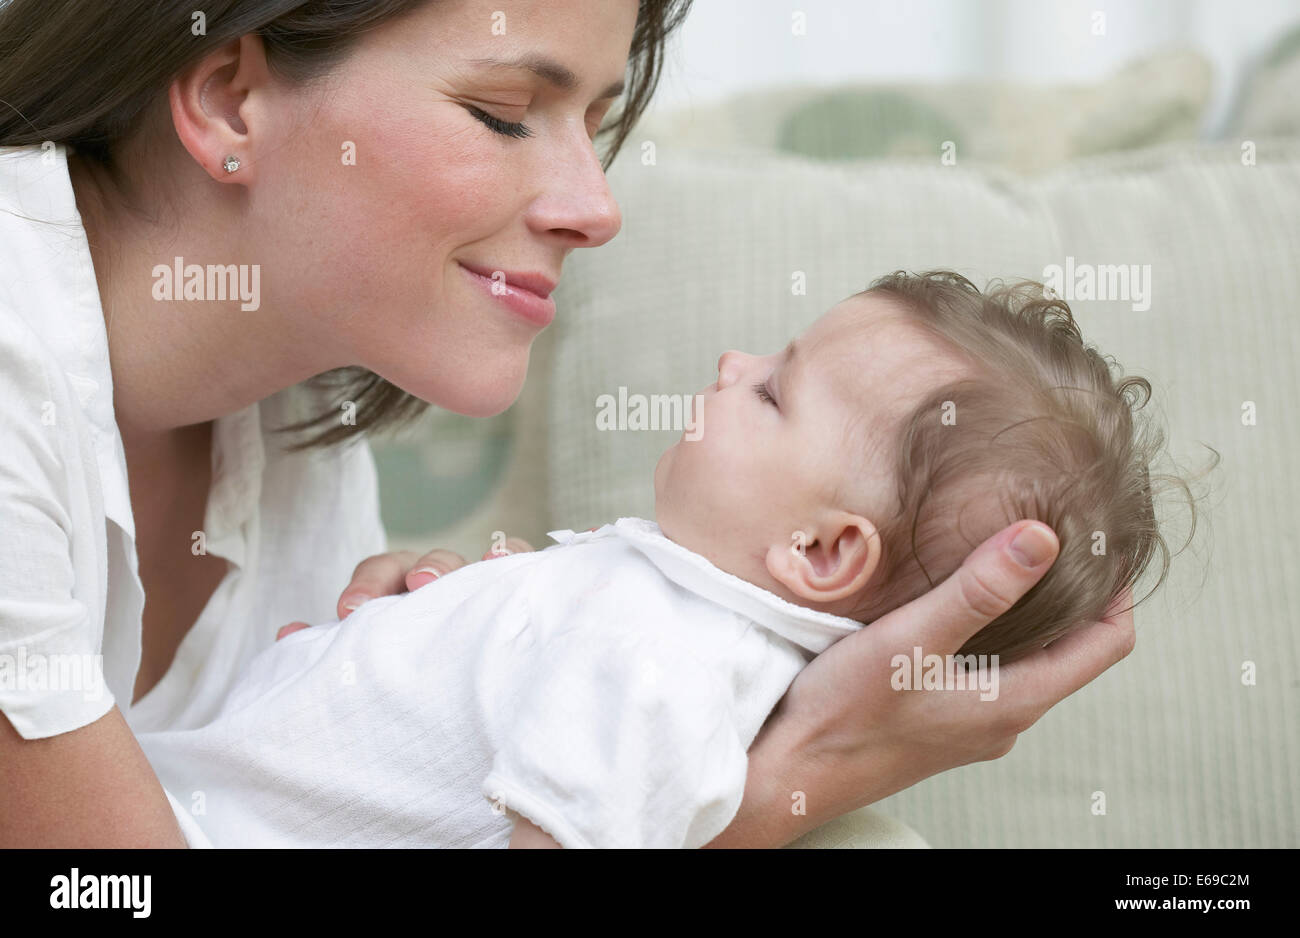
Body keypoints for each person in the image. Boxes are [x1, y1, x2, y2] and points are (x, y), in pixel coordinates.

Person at [0, 0, 1134, 848]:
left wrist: (423, 679)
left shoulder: (290, 415)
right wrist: (801, 773)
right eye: (503, 113)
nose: (596, 208)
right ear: (226, 98)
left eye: (595, 120)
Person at [137, 276, 1165, 848]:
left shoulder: (655, 654)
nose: (732, 364)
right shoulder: (667, 621)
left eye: (771, 392)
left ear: (819, 551)